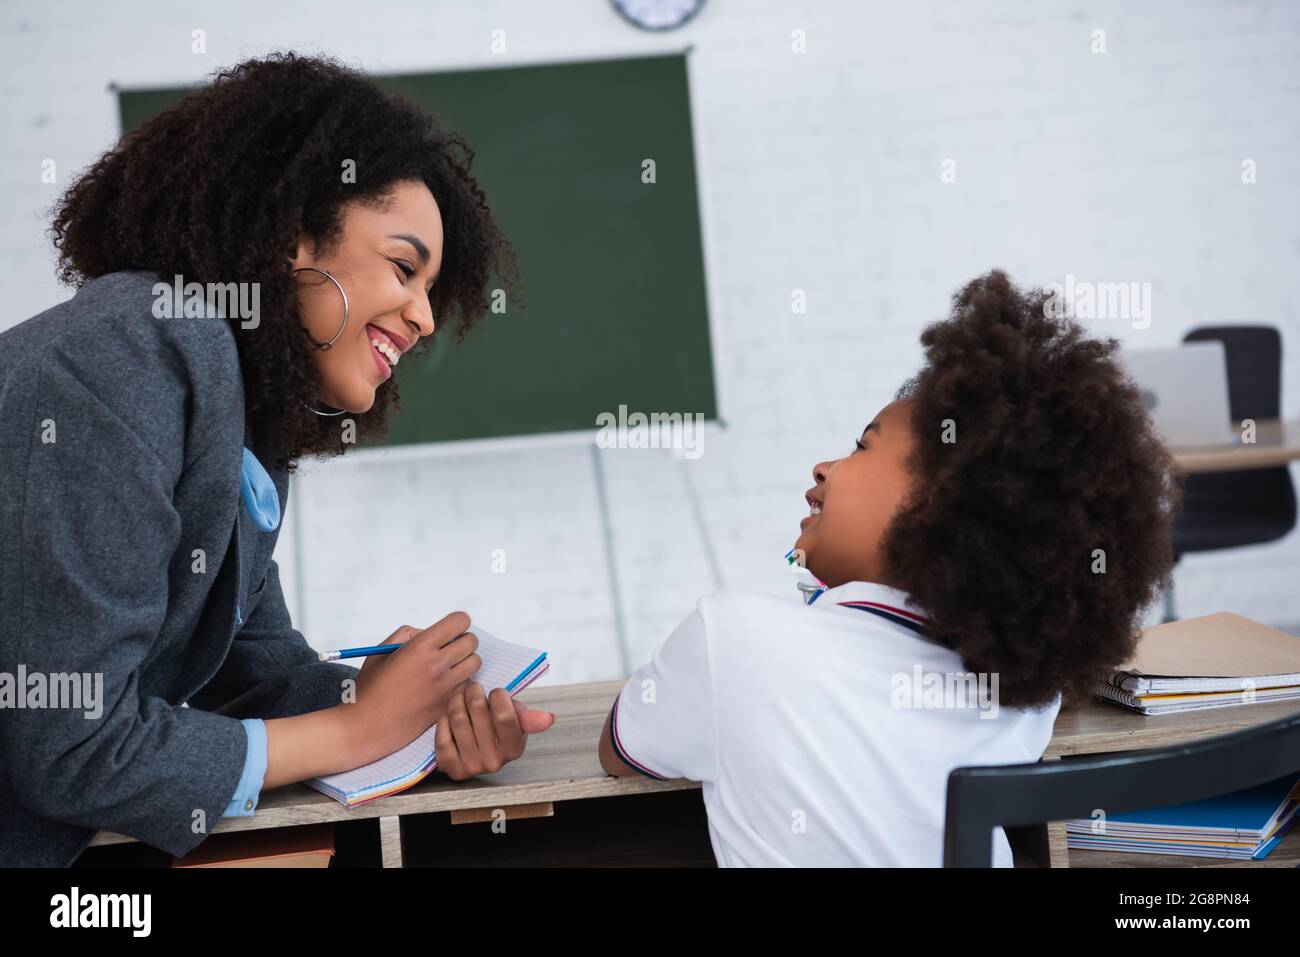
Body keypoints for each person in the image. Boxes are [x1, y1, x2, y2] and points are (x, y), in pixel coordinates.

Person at [0, 53, 553, 867]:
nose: (426, 317)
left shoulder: (237, 400)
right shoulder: (124, 362)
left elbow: (249, 671)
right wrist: (356, 729)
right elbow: (71, 749)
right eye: (405, 268)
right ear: (291, 235)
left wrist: (400, 705)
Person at [598, 270, 1179, 866]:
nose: (824, 467)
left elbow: (621, 749)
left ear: (937, 501)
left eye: (861, 446)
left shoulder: (731, 637)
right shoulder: (1027, 695)